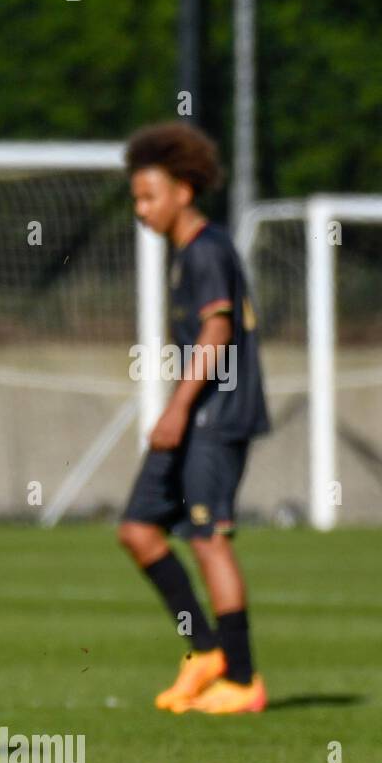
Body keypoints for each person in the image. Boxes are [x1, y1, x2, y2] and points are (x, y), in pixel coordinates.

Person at [119, 122, 270, 714]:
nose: (141, 209)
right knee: (137, 528)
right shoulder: (185, 253)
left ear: (184, 190)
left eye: (149, 195)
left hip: (216, 416)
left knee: (209, 541)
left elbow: (217, 330)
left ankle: (243, 679)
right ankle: (205, 649)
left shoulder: (207, 249)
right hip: (195, 414)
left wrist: (178, 409)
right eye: (135, 197)